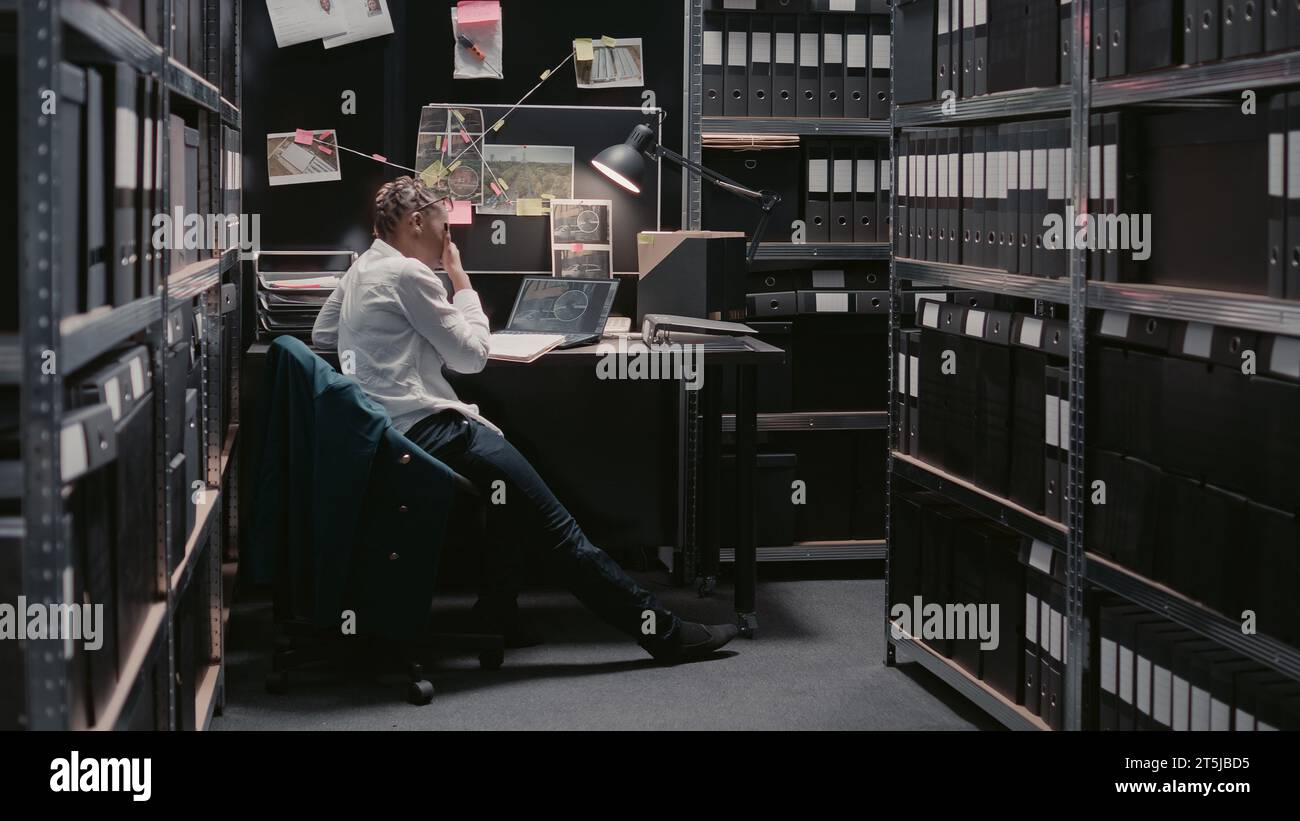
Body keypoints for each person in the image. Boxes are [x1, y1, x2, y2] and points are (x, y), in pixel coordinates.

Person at [312, 176, 738, 663]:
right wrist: (461, 281)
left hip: (383, 426)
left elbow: (324, 331)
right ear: (415, 223)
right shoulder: (411, 275)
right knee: (558, 527)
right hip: (428, 429)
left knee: (513, 489)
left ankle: (498, 611)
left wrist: (396, 346)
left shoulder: (365, 266)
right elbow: (473, 356)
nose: (449, 239)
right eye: (443, 228)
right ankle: (662, 632)